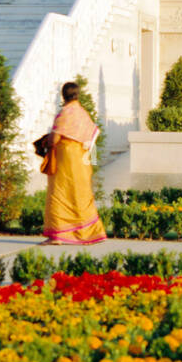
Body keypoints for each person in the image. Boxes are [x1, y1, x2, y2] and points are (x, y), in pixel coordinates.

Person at [41, 80, 106, 245]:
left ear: (63, 96)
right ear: (77, 94)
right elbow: (91, 137)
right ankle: (91, 232)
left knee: (59, 194)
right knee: (81, 195)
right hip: (82, 160)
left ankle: (57, 235)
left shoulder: (65, 113)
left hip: (66, 160)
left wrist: (46, 141)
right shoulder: (83, 114)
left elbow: (54, 139)